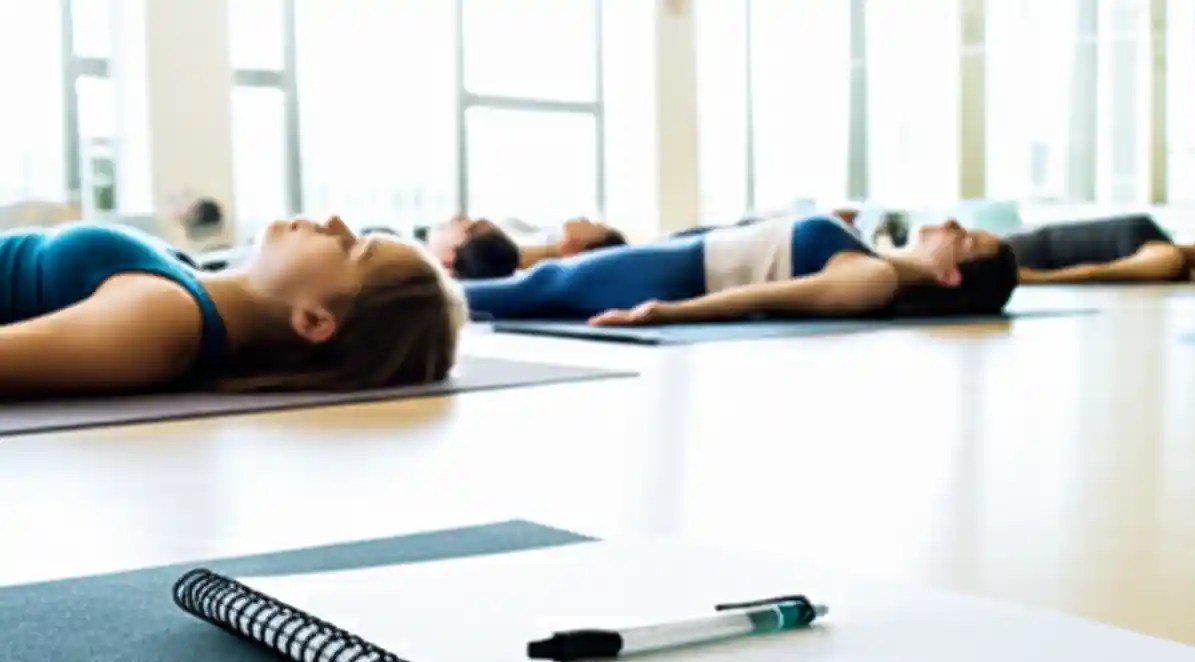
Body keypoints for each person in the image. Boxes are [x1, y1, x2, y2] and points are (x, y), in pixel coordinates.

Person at [0, 216, 466, 397]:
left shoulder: (164, 321)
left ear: (314, 319)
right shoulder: (183, 282)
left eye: (351, 248)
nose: (335, 222)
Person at [460, 214, 1017, 325]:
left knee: (537, 288)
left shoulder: (875, 278)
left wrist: (665, 312)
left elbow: (766, 296)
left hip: (682, 278)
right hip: (689, 254)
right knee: (535, 285)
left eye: (963, 238)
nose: (948, 222)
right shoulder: (873, 258)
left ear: (951, 277)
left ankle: (400, 296)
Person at [985, 215, 1195, 284]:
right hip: (1022, 245)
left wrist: (1028, 278)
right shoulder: (1165, 245)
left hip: (1023, 257)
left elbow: (1099, 272)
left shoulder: (1169, 257)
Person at [428, 216, 627, 280]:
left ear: (578, 249)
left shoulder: (489, 254)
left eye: (597, 227)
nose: (588, 220)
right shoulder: (524, 237)